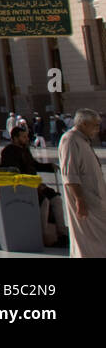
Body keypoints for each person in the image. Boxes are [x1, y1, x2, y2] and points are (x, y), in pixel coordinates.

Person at [0, 125, 65, 243]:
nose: (26, 139)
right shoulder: (9, 152)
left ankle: (61, 233)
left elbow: (34, 165)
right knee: (43, 201)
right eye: (23, 137)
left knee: (56, 198)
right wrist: (33, 184)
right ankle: (43, 235)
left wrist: (49, 166)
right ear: (15, 138)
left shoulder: (25, 150)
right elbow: (16, 172)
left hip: (34, 184)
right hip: (23, 186)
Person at [59, 108, 106, 257]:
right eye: (95, 125)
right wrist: (79, 200)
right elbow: (69, 174)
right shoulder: (70, 140)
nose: (98, 129)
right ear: (84, 124)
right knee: (87, 240)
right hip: (85, 201)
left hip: (95, 199)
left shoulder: (82, 140)